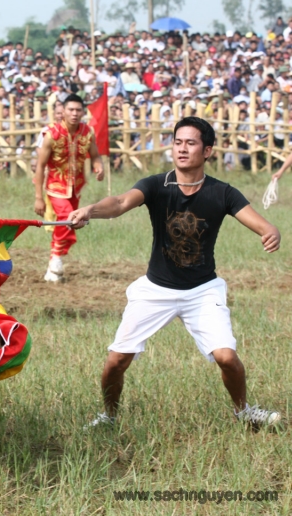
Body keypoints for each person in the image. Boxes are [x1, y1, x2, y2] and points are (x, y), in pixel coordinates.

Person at [68, 117, 282, 429]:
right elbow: (119, 202)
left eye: (191, 143)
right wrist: (91, 210)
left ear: (207, 150)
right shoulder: (156, 185)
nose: (182, 149)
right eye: (178, 142)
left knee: (227, 358)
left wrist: (271, 231)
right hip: (155, 290)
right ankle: (109, 416)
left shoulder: (223, 192)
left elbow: (261, 223)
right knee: (116, 360)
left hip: (203, 291)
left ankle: (244, 411)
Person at [33, 93, 104, 282]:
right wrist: (38, 197)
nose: (74, 113)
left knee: (72, 221)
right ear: (63, 111)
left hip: (76, 186)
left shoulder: (87, 132)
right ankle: (56, 257)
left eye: (78, 110)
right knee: (67, 217)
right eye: (70, 109)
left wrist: (99, 166)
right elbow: (40, 166)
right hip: (56, 186)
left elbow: (95, 154)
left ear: (83, 112)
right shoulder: (51, 134)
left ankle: (53, 265)